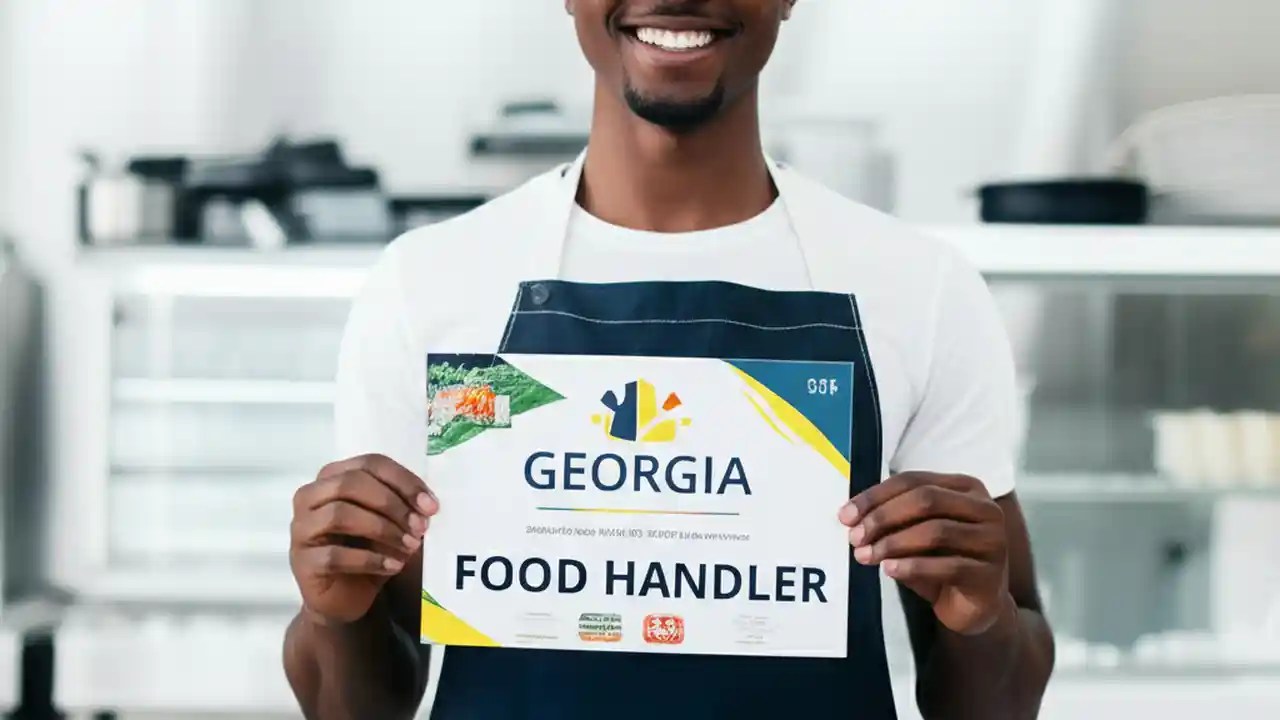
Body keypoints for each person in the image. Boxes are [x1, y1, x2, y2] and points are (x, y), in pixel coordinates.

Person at [284, 1, 1055, 718]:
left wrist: (978, 616)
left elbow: (1000, 697)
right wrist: (332, 609)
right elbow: (364, 704)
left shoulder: (919, 287)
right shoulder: (429, 284)